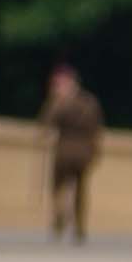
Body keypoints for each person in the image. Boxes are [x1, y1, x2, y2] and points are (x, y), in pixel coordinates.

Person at [41, 62, 105, 243]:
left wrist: (54, 101)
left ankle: (59, 219)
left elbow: (47, 123)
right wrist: (96, 152)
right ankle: (79, 226)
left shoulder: (61, 103)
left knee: (58, 187)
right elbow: (97, 129)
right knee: (80, 190)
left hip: (64, 150)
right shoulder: (90, 102)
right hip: (85, 151)